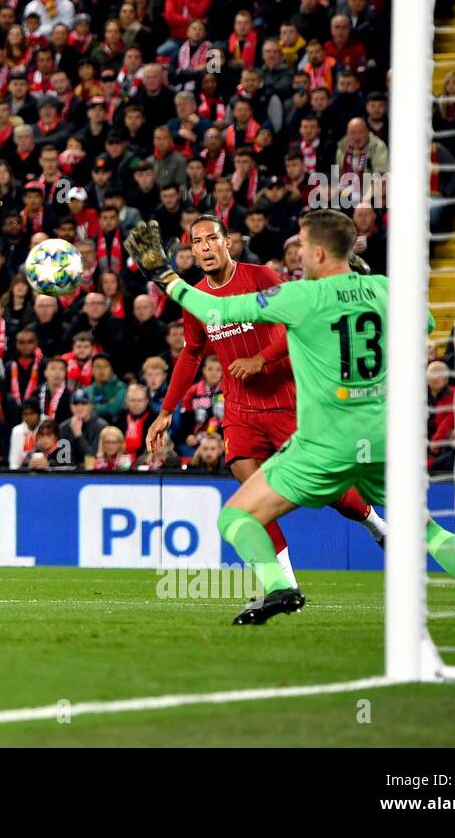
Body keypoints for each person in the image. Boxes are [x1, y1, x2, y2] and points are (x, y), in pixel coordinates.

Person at [126, 211, 455, 627]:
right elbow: (430, 321)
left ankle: (281, 586)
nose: (298, 254)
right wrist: (365, 285)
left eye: (304, 246)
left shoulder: (302, 297)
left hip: (326, 440)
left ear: (320, 251)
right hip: (385, 438)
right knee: (426, 529)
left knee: (236, 516)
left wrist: (164, 276)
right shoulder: (383, 288)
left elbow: (214, 311)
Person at [144, 215, 388, 592]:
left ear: (229, 241)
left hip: (287, 401)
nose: (205, 247)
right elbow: (192, 354)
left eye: (213, 239)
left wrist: (262, 360)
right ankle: (284, 586)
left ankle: (374, 522)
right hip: (240, 412)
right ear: (191, 250)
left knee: (330, 492)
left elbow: (299, 325)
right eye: (197, 242)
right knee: (250, 494)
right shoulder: (195, 299)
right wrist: (165, 411)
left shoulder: (260, 277)